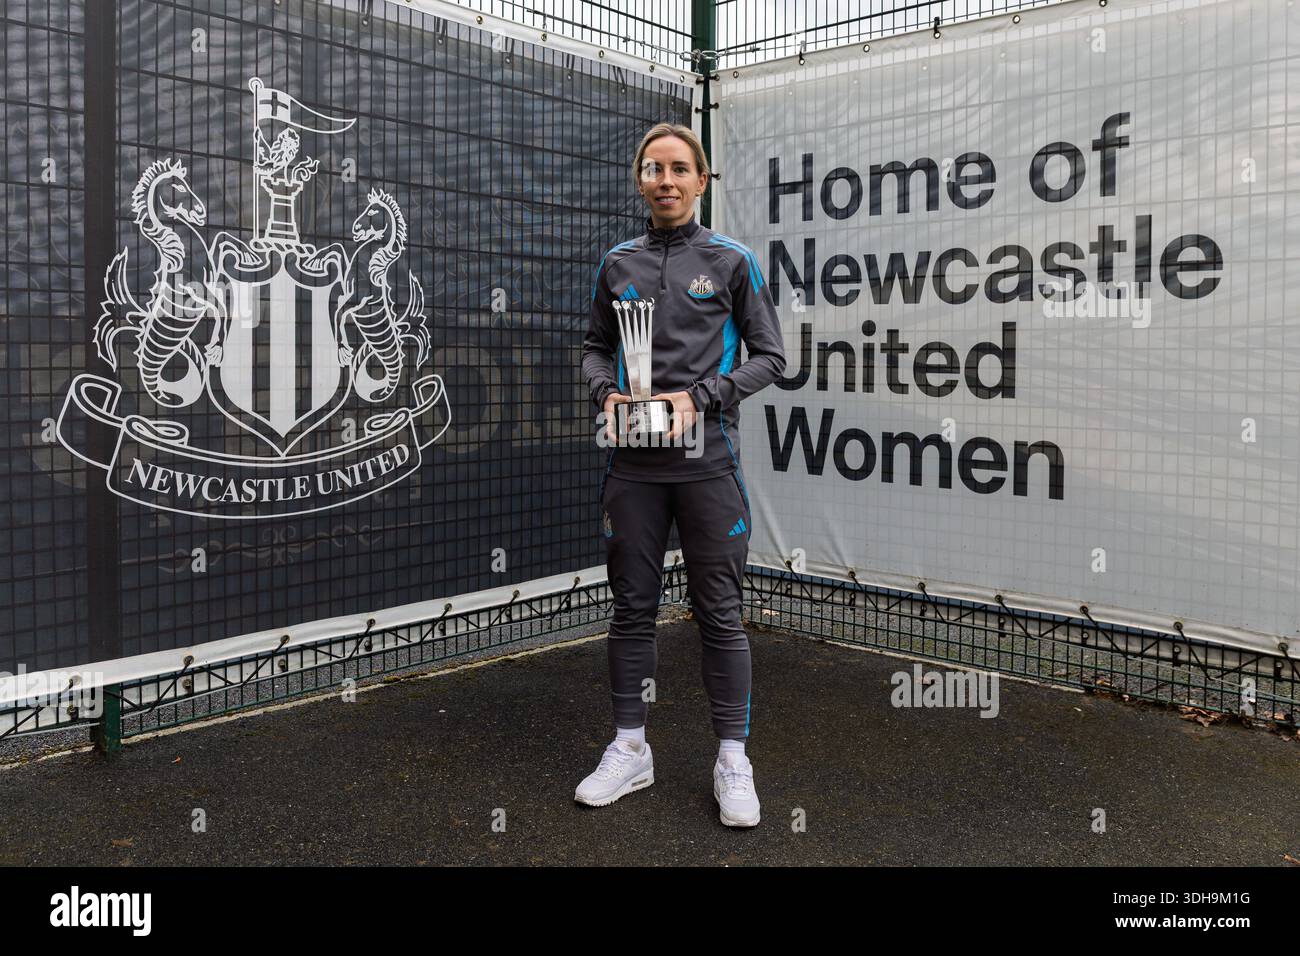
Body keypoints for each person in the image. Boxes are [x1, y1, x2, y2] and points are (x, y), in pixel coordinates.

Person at [576, 123, 787, 826]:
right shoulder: (616, 263)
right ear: (639, 179)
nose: (664, 180)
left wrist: (696, 399)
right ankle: (631, 748)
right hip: (630, 467)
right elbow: (592, 350)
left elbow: (770, 357)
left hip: (707, 467)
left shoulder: (731, 261)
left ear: (701, 181)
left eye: (678, 169)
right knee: (631, 609)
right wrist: (605, 393)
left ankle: (733, 759)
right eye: (652, 169)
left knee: (720, 615)